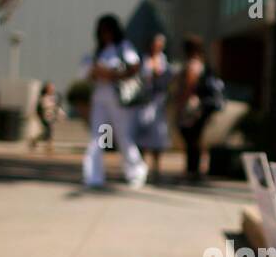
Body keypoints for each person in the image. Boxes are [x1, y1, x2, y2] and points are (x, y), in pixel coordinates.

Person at [80, 15, 147, 189]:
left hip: (119, 100)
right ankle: (94, 176)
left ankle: (136, 170)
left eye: (107, 30)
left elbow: (134, 66)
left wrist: (111, 74)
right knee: (100, 137)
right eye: (102, 31)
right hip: (101, 99)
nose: (105, 34)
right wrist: (96, 72)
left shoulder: (123, 47)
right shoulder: (99, 51)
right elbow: (89, 74)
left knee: (123, 136)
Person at [174, 34, 217, 181]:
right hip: (199, 106)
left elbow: (189, 86)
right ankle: (193, 170)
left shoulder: (193, 64)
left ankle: (192, 170)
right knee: (194, 138)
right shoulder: (202, 62)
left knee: (191, 137)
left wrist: (180, 104)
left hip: (192, 106)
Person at [135, 34, 171, 181]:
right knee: (142, 133)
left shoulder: (164, 60)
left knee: (158, 135)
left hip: (158, 101)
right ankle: (141, 166)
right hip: (144, 101)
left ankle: (156, 168)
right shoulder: (143, 59)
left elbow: (168, 79)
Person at [31, 81, 64, 154]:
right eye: (50, 88)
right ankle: (48, 146)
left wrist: (59, 114)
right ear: (46, 89)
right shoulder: (43, 98)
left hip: (51, 117)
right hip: (45, 117)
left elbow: (56, 107)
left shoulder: (53, 97)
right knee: (48, 131)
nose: (52, 89)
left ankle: (36, 141)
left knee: (48, 132)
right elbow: (42, 108)